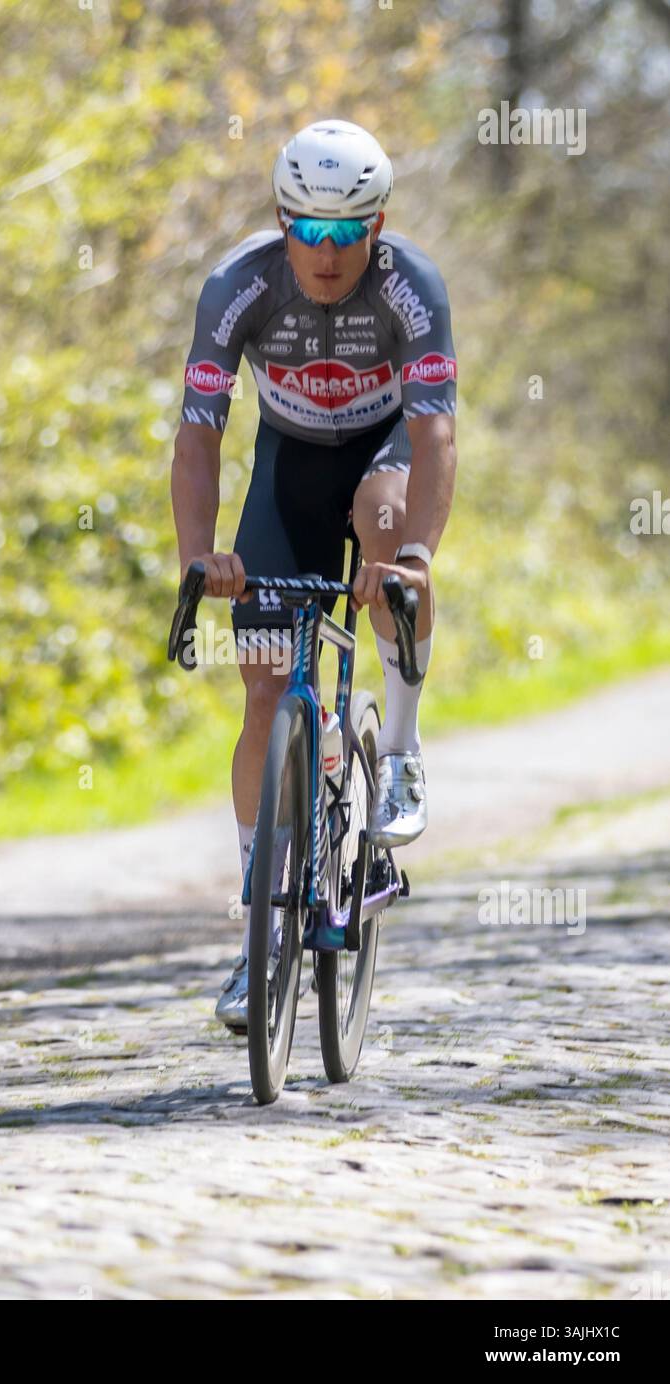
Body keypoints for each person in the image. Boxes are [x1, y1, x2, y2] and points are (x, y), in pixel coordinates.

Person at [170, 119, 457, 1030]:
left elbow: (436, 434)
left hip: (381, 453)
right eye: (308, 229)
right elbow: (200, 433)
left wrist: (411, 558)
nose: (327, 253)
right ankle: (260, 933)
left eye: (347, 233)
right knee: (262, 689)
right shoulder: (237, 286)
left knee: (385, 532)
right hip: (287, 465)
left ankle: (402, 752)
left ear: (379, 225)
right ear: (282, 219)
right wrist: (197, 556)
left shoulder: (412, 290)